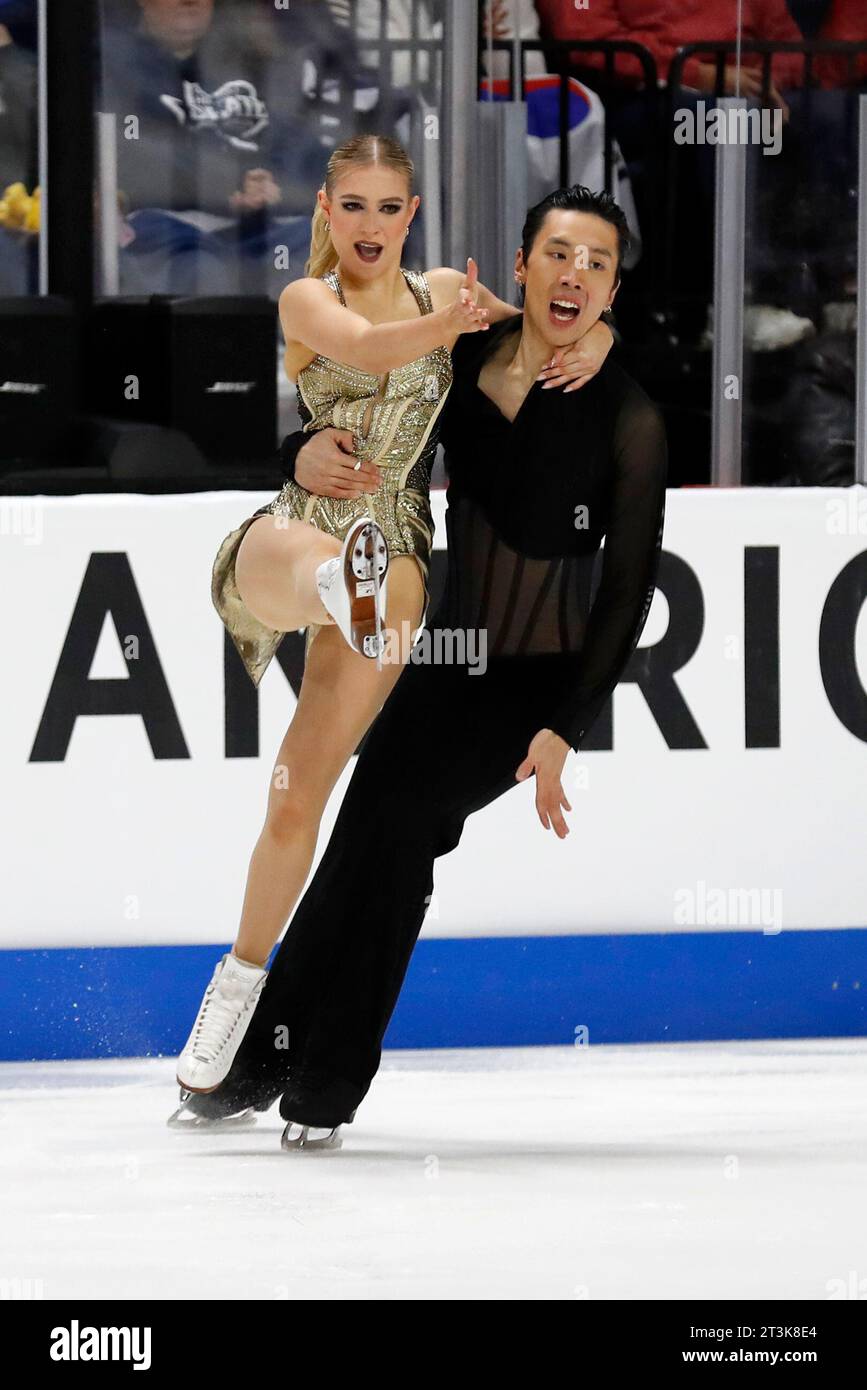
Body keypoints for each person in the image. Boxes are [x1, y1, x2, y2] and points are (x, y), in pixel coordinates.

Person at [179, 184, 668, 1148]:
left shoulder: (628, 415)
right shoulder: (463, 352)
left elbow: (628, 590)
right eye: (558, 255)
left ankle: (322, 1089)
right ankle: (263, 1064)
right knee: (361, 835)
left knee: (397, 840)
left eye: (598, 264)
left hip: (532, 681)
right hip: (444, 658)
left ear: (613, 292)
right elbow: (369, 412)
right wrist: (300, 446)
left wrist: (565, 728)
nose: (574, 274)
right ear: (519, 267)